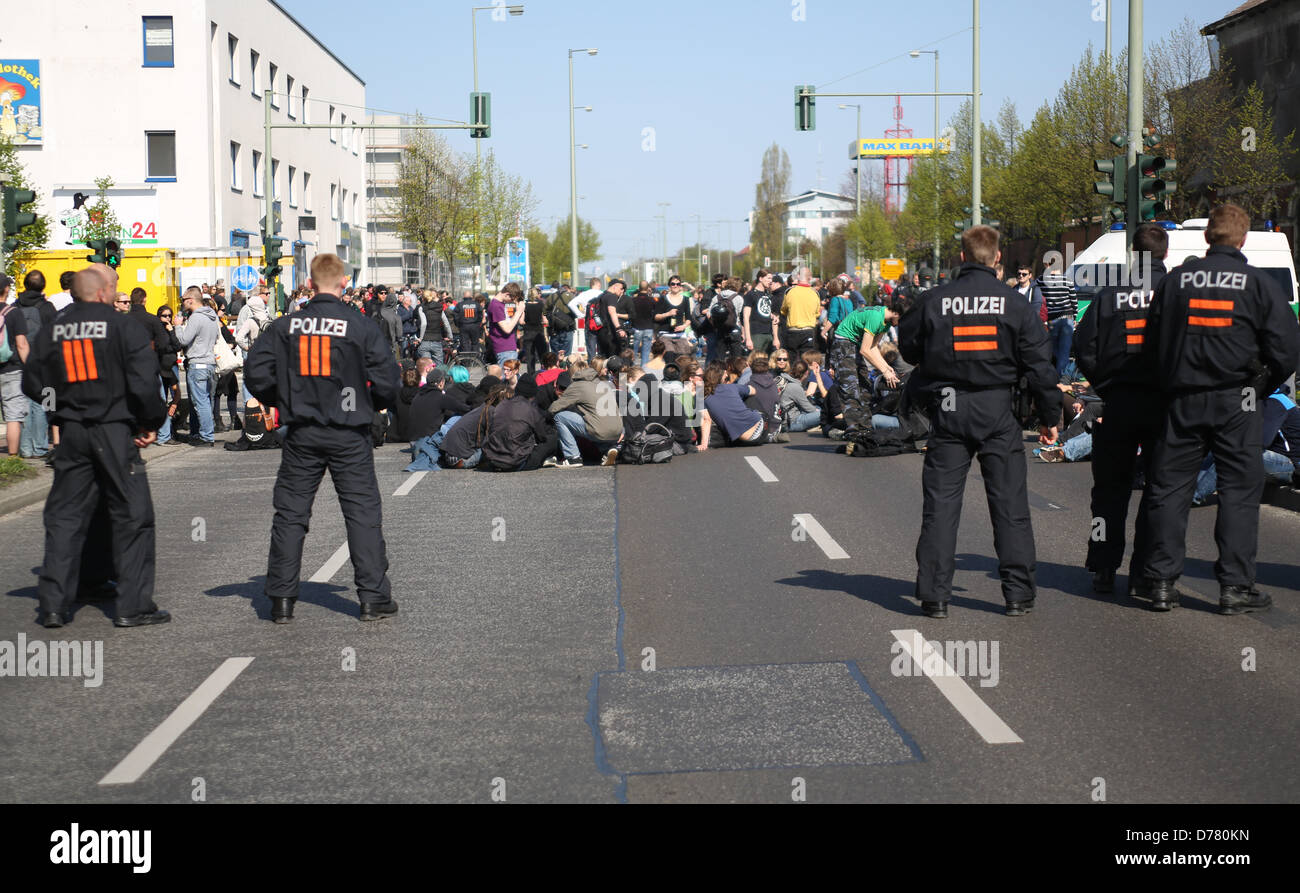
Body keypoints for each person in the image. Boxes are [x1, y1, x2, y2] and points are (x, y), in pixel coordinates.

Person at [1138, 203, 1300, 614]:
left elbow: (1152, 343)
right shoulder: (1258, 284)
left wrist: (1169, 381)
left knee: (1169, 489)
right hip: (1238, 400)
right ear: (1242, 239)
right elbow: (1287, 348)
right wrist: (1261, 384)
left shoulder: (1176, 281)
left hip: (1184, 399)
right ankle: (1234, 587)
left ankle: (1160, 582)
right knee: (1239, 493)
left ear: (1207, 236)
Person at [898, 225, 1062, 618]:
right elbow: (1040, 366)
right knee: (1010, 505)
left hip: (949, 407)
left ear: (961, 257)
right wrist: (1050, 417)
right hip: (997, 409)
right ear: (998, 258)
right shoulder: (1015, 304)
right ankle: (1018, 595)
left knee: (940, 505)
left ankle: (935, 596)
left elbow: (908, 346)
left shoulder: (934, 299)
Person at [244, 253, 402, 624]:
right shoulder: (360, 325)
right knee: (362, 513)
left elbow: (256, 370)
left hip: (302, 431)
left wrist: (280, 399)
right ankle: (373, 598)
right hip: (349, 430)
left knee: (291, 513)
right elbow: (388, 380)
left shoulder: (287, 326)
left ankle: (281, 599)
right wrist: (372, 403)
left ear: (310, 284)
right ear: (344, 282)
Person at [22, 264, 169, 628]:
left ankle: (54, 605)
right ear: (103, 292)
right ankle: (132, 606)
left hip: (72, 434)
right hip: (113, 430)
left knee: (64, 516)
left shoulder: (55, 328)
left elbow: (33, 381)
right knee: (133, 515)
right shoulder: (122, 326)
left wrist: (59, 409)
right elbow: (143, 383)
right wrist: (148, 423)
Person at [1073, 222, 1169, 597]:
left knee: (1109, 491)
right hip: (1163, 406)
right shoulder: (1173, 293)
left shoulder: (1109, 296)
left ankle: (1103, 567)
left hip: (1118, 404)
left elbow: (1084, 348)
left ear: (1133, 254)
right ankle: (1146, 572)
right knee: (1160, 491)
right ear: (1165, 254)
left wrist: (1107, 384)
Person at [829, 296, 904, 444]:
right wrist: (883, 370)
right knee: (849, 387)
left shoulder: (886, 323)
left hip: (855, 343)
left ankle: (865, 427)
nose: (899, 324)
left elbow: (873, 347)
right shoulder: (877, 317)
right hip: (843, 342)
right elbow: (865, 350)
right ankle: (853, 428)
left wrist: (887, 367)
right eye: (901, 319)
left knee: (864, 387)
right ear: (896, 313)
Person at [549, 358, 623, 467]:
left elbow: (554, 408)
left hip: (599, 429)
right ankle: (608, 450)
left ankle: (573, 457)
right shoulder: (602, 383)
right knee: (595, 421)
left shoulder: (578, 385)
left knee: (560, 417)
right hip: (617, 430)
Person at [15, 271, 56, 458]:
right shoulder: (47, 308)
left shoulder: (15, 306)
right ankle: (40, 447)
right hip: (44, 363)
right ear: (43, 286)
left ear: (24, 284)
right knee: (43, 403)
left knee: (22, 405)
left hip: (18, 361)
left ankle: (25, 448)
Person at [174, 286, 219, 446]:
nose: (182, 303)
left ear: (191, 300)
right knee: (207, 400)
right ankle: (206, 433)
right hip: (210, 364)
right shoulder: (212, 316)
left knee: (201, 402)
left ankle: (206, 436)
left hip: (197, 363)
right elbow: (217, 337)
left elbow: (183, 340)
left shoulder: (196, 318)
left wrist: (178, 325)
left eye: (184, 300)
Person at [0, 274, 31, 457]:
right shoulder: (13, 313)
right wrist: (29, 367)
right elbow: (22, 344)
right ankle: (12, 458)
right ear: (6, 290)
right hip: (12, 369)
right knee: (13, 416)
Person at [1040, 264, 1078, 377]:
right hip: (1067, 319)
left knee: (1053, 349)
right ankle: (1061, 377)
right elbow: (1074, 300)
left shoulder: (1042, 280)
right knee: (1064, 351)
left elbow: (1039, 298)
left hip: (1052, 319)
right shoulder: (1068, 280)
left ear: (1047, 265)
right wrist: (1074, 316)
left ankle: (1058, 375)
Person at [779, 266, 821, 356]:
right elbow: (817, 313)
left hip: (793, 331)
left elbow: (783, 311)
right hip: (808, 331)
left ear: (798, 276)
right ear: (810, 278)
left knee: (792, 359)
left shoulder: (790, 292)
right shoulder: (815, 293)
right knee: (807, 360)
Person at [487, 282, 526, 363]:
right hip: (504, 348)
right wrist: (518, 312)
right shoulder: (496, 306)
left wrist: (521, 311)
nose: (511, 301)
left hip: (508, 347)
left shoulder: (500, 304)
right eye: (512, 299)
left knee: (511, 374)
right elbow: (507, 329)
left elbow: (518, 322)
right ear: (507, 294)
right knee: (507, 375)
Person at [519, 286, 551, 374]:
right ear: (537, 295)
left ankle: (531, 376)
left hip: (528, 333)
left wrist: (527, 322)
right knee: (542, 355)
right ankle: (544, 373)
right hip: (539, 333)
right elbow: (545, 320)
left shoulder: (525, 305)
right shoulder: (541, 304)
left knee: (529, 357)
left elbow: (521, 321)